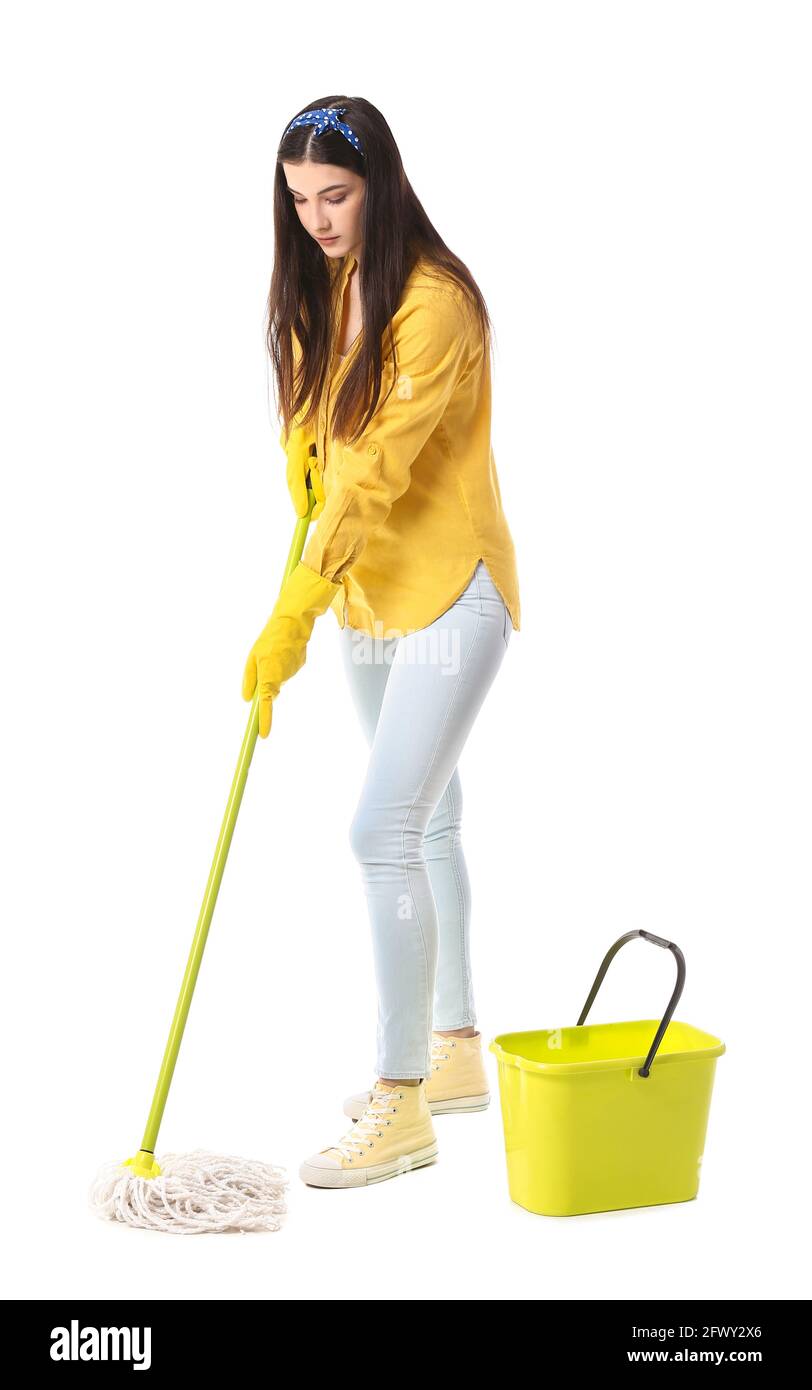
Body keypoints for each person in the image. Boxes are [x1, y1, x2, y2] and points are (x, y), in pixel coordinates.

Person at [242, 97, 521, 1190]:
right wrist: (304, 593)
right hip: (368, 593)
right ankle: (455, 1052)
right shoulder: (326, 287)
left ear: (382, 185)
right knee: (430, 817)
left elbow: (372, 475)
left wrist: (292, 612)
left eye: (337, 195)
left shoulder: (436, 304)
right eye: (299, 198)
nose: (316, 219)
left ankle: (400, 1106)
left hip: (454, 589)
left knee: (381, 829)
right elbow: (317, 469)